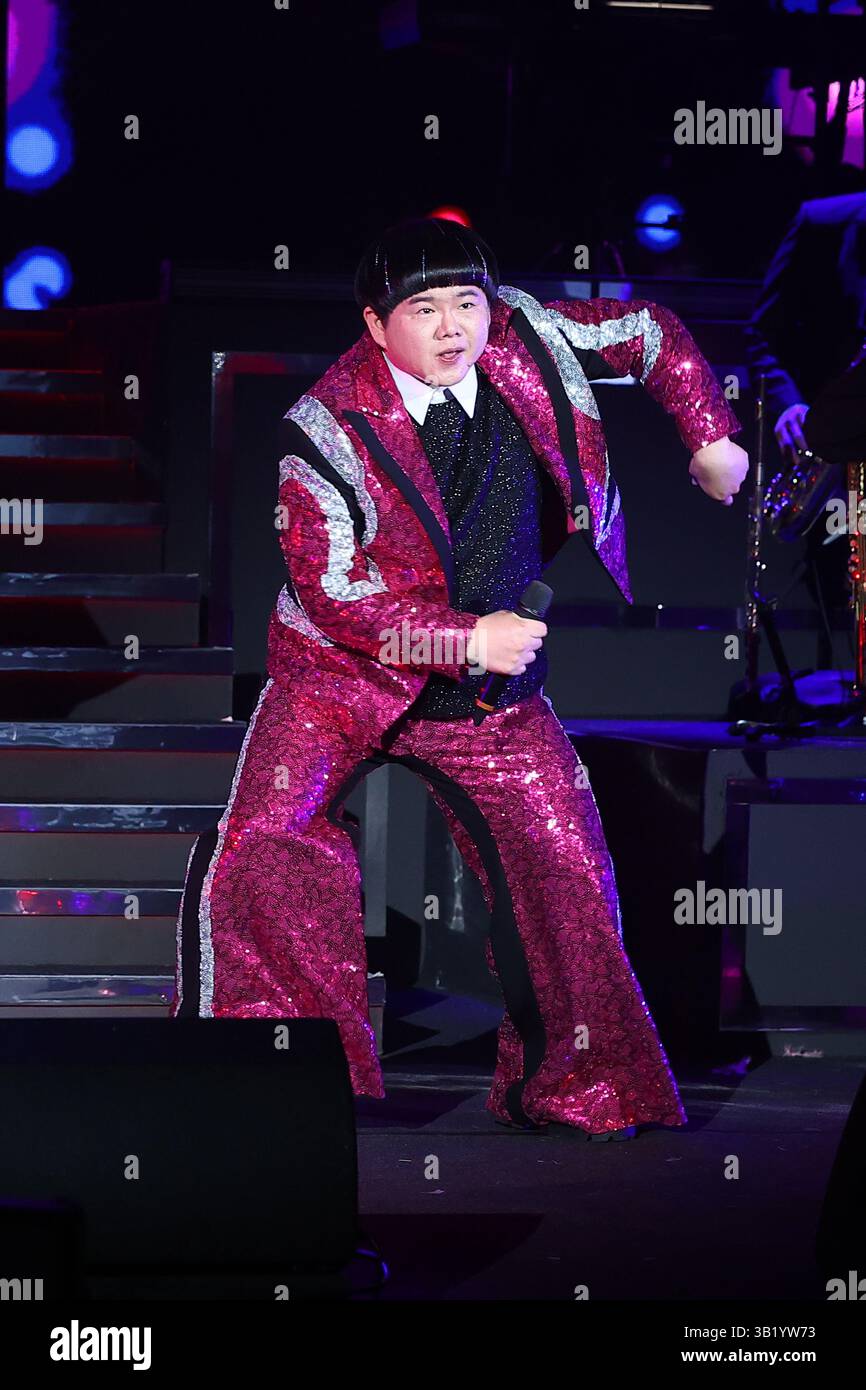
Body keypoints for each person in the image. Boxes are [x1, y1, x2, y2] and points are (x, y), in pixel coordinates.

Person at [171, 217, 748, 1138]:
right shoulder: (324, 430)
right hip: (340, 680)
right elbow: (337, 597)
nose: (454, 329)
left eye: (467, 304)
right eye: (425, 309)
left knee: (565, 864)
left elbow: (651, 335)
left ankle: (575, 1086)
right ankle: (289, 1078)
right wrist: (468, 640)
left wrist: (711, 435)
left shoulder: (530, 333)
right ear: (375, 323)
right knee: (265, 844)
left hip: (489, 703)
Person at [746, 191, 866, 659]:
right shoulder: (822, 223)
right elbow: (762, 332)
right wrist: (790, 405)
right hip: (832, 433)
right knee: (836, 578)